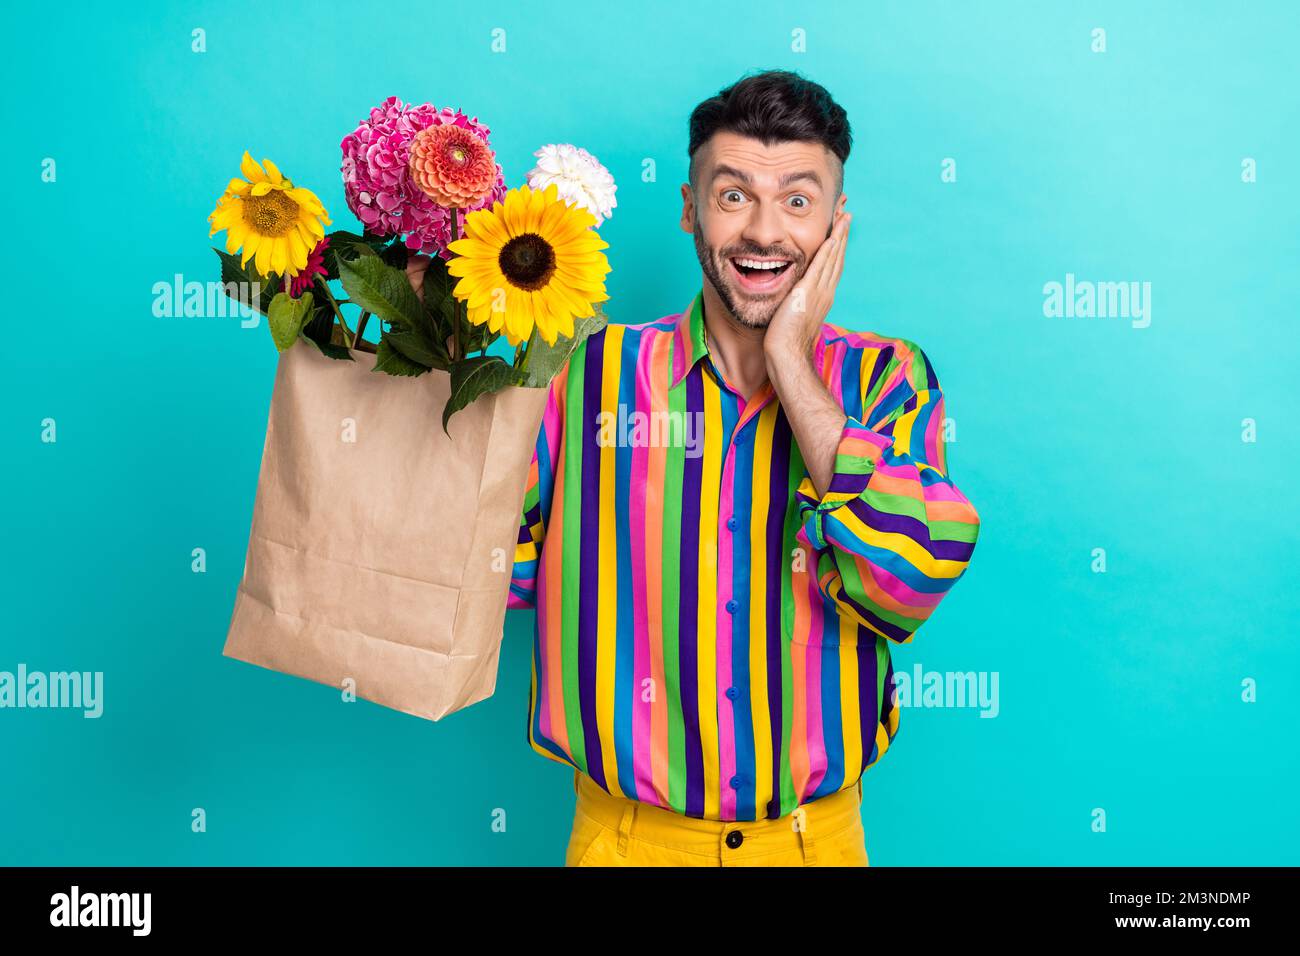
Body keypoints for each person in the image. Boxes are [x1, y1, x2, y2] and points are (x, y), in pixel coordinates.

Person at [428, 68, 982, 866]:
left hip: (811, 844)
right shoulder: (582, 376)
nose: (763, 231)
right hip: (624, 842)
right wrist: (421, 350)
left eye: (798, 199)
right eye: (732, 195)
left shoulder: (888, 380)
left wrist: (790, 359)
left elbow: (909, 576)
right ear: (690, 209)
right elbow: (483, 571)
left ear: (836, 224)